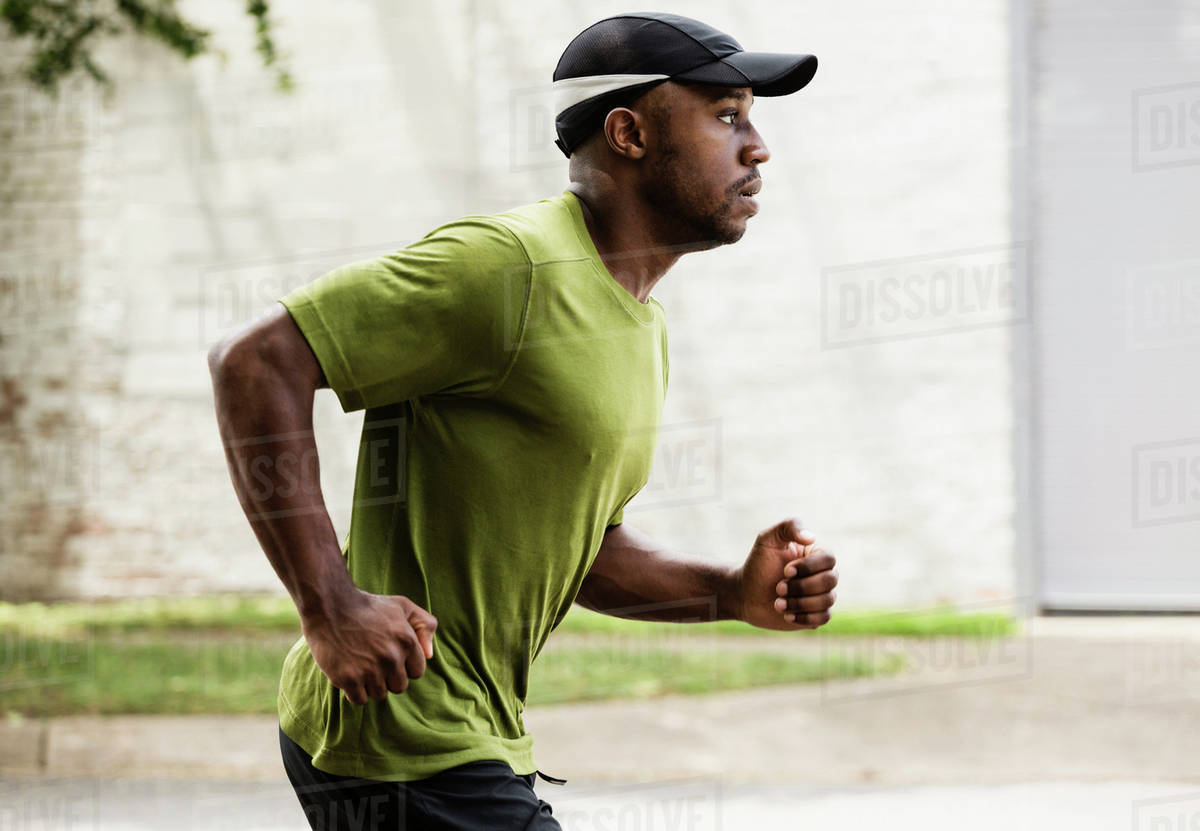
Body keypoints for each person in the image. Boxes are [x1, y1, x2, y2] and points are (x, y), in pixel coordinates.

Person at [208, 11, 836, 830]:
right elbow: (255, 361)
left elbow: (582, 546)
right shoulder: (510, 265)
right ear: (629, 132)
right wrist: (329, 605)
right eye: (726, 114)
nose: (757, 146)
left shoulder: (639, 323)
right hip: (405, 734)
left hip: (462, 737)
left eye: (751, 117)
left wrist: (726, 591)